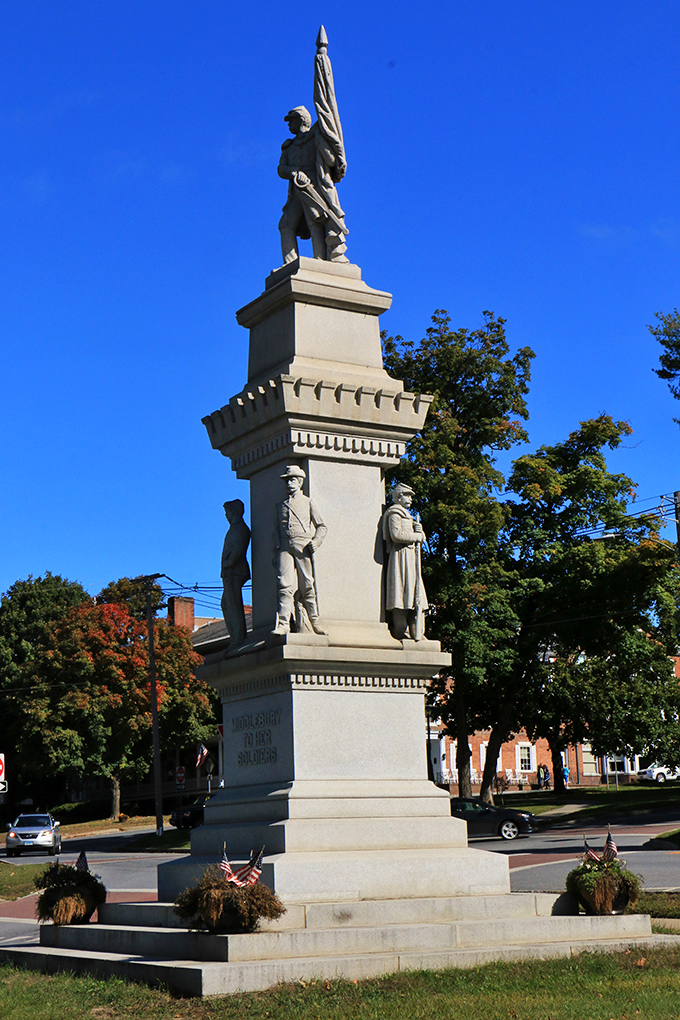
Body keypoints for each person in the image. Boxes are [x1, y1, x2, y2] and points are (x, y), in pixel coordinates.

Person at [278, 106, 348, 265]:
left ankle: (320, 259)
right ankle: (290, 264)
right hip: (296, 189)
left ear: (301, 120)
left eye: (292, 121)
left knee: (315, 220)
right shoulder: (289, 146)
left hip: (314, 187)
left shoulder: (315, 137)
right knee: (285, 224)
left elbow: (330, 160)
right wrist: (294, 172)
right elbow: (281, 169)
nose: (289, 126)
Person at [273, 465, 327, 635]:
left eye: (293, 480)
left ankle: (314, 620)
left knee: (307, 584)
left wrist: (316, 541)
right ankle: (283, 624)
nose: (289, 483)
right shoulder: (280, 505)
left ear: (300, 482)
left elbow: (322, 526)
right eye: (287, 480)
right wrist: (276, 549)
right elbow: (275, 530)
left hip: (303, 545)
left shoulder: (308, 502)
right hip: (284, 546)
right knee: (284, 585)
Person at [382, 483, 428, 640]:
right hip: (400, 557)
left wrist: (419, 532)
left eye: (411, 496)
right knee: (400, 595)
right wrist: (417, 537)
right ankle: (401, 631)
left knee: (416, 595)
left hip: (411, 558)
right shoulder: (394, 513)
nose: (410, 499)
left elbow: (420, 539)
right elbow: (396, 535)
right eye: (407, 495)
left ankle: (417, 632)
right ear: (398, 496)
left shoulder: (407, 515)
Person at [220, 499, 251, 649]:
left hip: (234, 571)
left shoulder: (239, 528)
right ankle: (235, 638)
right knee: (226, 604)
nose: (226, 516)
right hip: (230, 571)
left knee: (232, 604)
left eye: (227, 512)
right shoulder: (235, 527)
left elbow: (238, 548)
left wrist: (229, 563)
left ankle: (238, 638)